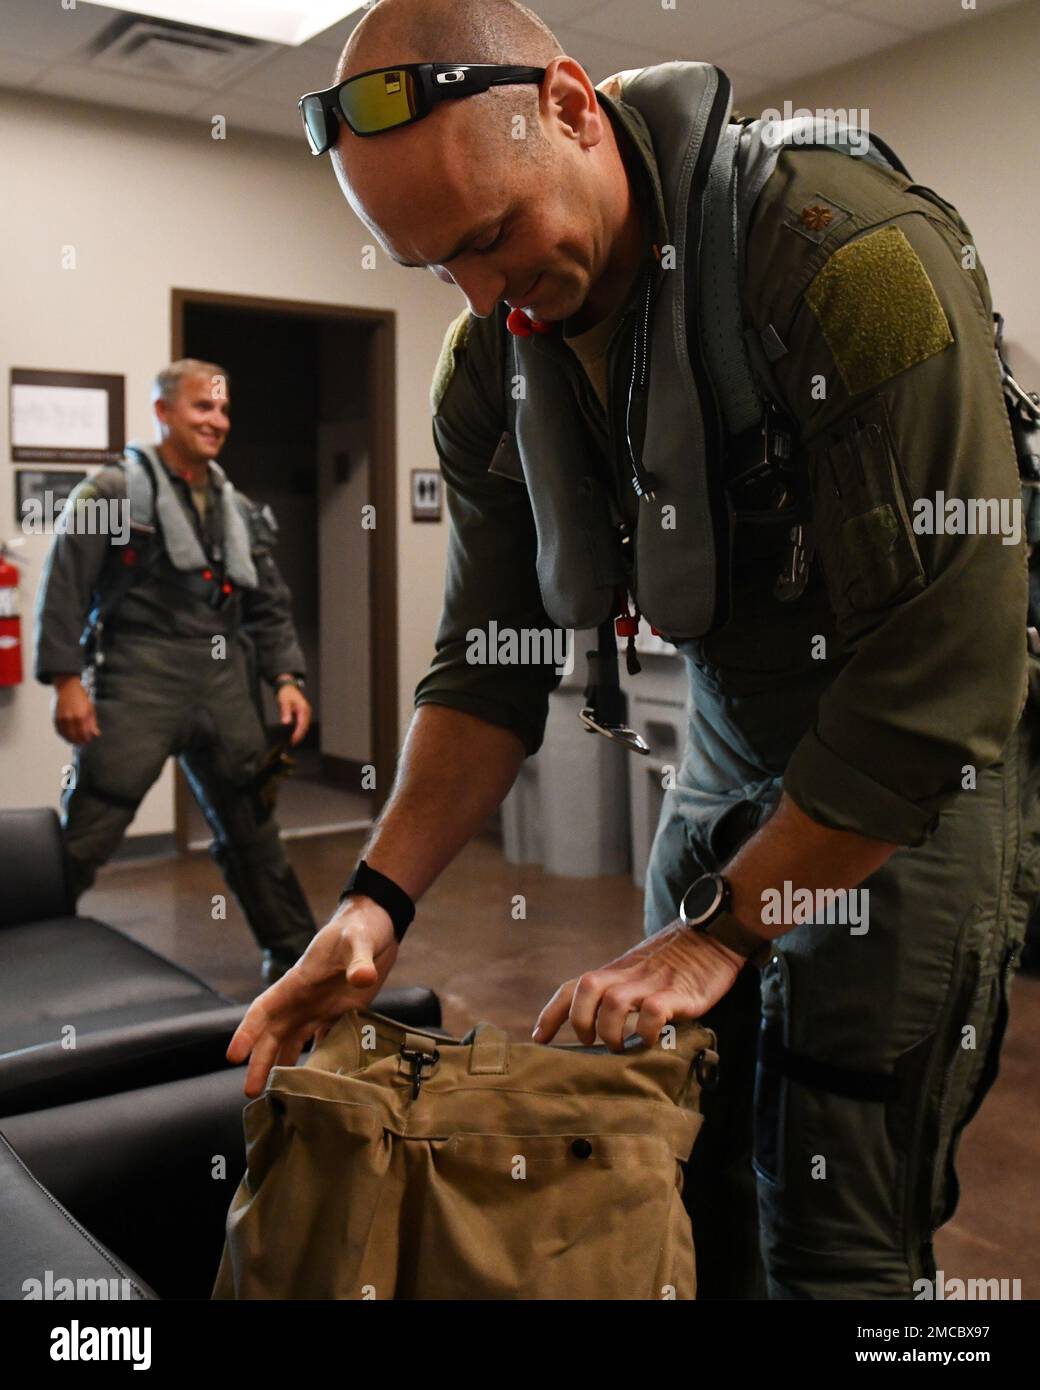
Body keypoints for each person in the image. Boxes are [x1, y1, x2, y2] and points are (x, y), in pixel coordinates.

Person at [227, 0, 1039, 1298]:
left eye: (492, 237)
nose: (489, 298)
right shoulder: (490, 357)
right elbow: (486, 661)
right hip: (728, 739)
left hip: (914, 767)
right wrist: (372, 904)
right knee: (671, 1147)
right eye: (439, 267)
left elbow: (947, 671)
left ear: (568, 103)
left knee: (834, 1228)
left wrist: (723, 929)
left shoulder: (848, 262)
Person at [34, 359, 317, 984]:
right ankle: (19, 935)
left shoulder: (237, 508)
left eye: (222, 410)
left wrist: (287, 679)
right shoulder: (110, 494)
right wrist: (66, 682)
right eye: (201, 408)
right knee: (91, 829)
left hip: (222, 679)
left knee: (252, 826)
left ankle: (296, 959)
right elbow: (63, 591)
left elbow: (268, 603)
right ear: (164, 413)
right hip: (139, 675)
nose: (217, 421)